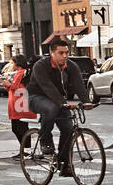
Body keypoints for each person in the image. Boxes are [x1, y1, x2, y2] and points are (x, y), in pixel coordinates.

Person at [26, 40, 86, 169]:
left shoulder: (71, 66)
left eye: (67, 52)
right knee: (51, 108)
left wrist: (86, 101)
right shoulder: (40, 65)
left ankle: (63, 164)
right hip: (37, 97)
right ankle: (45, 140)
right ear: (51, 53)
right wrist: (62, 103)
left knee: (69, 130)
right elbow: (47, 86)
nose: (65, 56)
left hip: (59, 100)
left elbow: (78, 85)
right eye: (61, 53)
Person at [5, 53, 35, 150]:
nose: (11, 65)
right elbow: (12, 87)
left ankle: (26, 149)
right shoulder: (16, 73)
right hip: (15, 104)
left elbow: (22, 88)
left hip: (21, 105)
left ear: (18, 63)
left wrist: (10, 85)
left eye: (12, 63)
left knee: (22, 128)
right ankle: (24, 148)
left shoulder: (24, 73)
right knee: (15, 128)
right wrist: (7, 84)